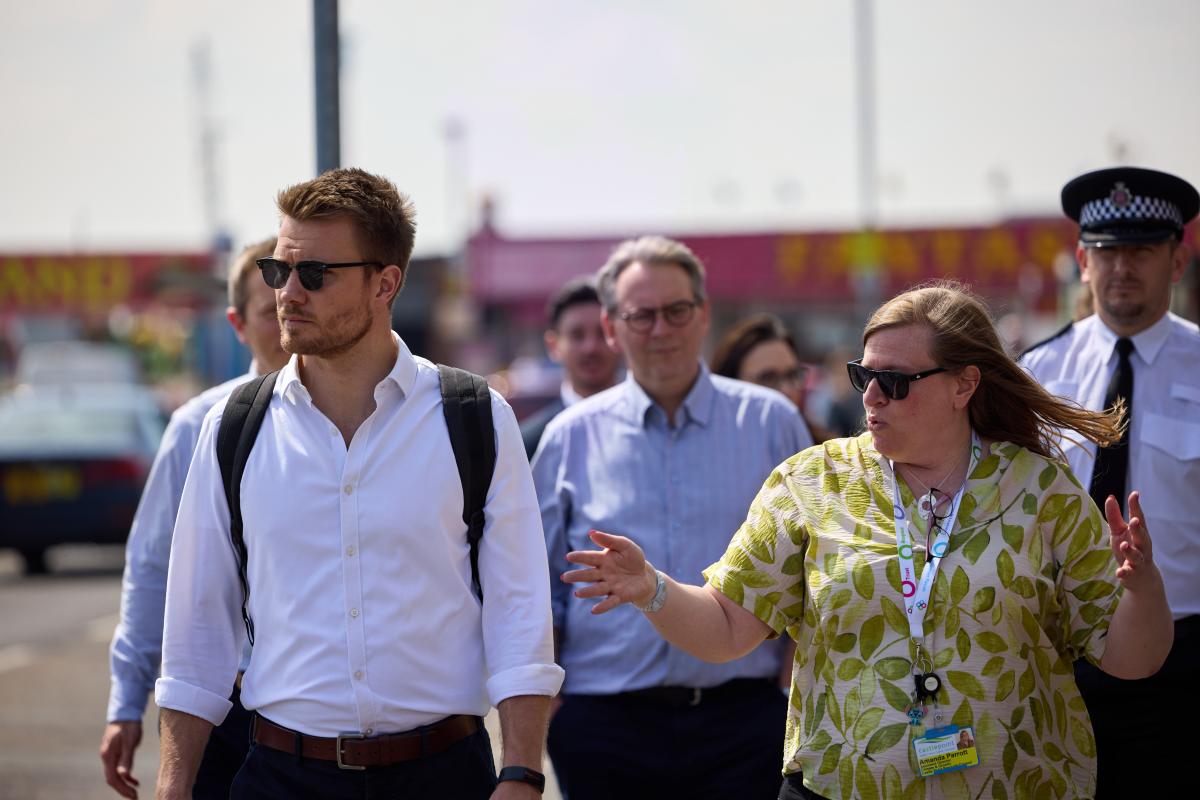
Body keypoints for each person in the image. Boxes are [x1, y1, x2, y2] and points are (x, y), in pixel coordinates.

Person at [563, 281, 1173, 800]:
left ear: (964, 386)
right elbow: (726, 629)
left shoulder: (1040, 487)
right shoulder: (811, 482)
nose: (871, 397)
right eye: (864, 376)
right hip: (836, 787)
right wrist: (652, 590)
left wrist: (1142, 590)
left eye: (895, 382)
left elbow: (1131, 659)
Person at [153, 168, 562, 800]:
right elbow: (196, 632)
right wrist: (173, 788)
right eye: (277, 271)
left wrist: (523, 773)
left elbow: (518, 607)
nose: (289, 293)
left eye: (315, 274)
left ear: (385, 283)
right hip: (280, 776)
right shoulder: (233, 427)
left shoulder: (474, 417)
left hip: (444, 775)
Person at [532, 235, 813, 800]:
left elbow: (812, 564)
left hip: (743, 723)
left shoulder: (771, 423)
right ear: (613, 327)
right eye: (641, 315)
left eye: (677, 311)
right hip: (604, 726)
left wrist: (787, 682)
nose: (661, 329)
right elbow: (536, 585)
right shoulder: (569, 438)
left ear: (704, 314)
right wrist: (552, 706)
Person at [1020, 166, 1200, 797]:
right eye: (1107, 250)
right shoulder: (1036, 374)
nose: (1122, 266)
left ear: (1177, 262)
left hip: (1185, 656)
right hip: (1061, 654)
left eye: (1141, 250)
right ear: (1081, 260)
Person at [100, 237, 288, 800]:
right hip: (226, 708)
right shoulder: (201, 425)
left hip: (328, 716)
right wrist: (126, 702)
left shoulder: (364, 418)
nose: (289, 314)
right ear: (237, 323)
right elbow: (154, 565)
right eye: (269, 308)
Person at [521, 277, 621, 458]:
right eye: (577, 335)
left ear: (618, 337)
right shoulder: (530, 445)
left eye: (602, 333)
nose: (591, 347)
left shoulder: (652, 430)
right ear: (553, 345)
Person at [710, 312, 831, 442]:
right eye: (768, 378)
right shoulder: (714, 450)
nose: (787, 389)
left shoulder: (826, 455)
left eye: (792, 375)